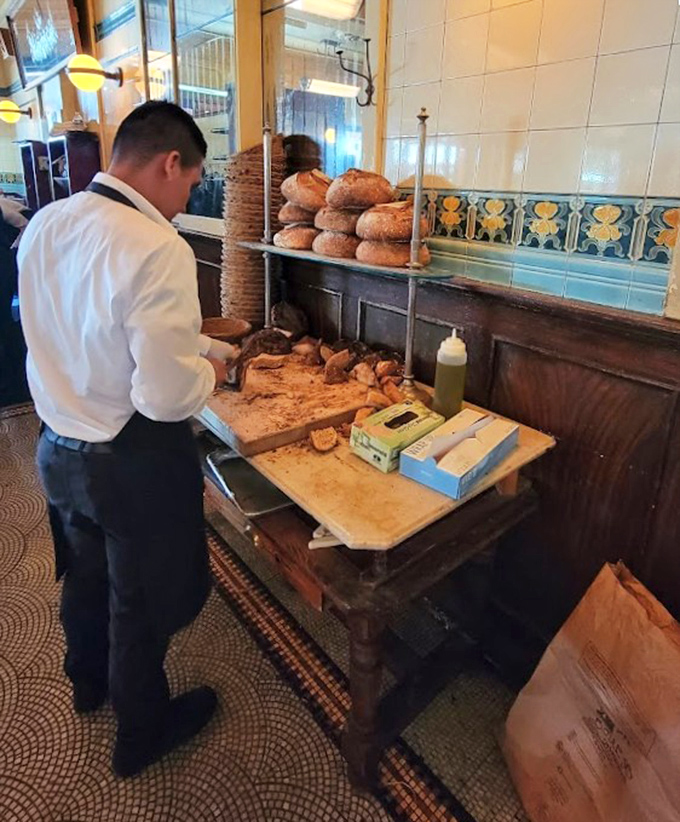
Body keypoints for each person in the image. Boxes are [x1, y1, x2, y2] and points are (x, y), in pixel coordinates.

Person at [18, 101, 232, 778]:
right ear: (171, 163)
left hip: (57, 448)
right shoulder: (158, 247)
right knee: (137, 599)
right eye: (191, 183)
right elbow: (163, 397)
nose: (185, 198)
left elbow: (91, 330)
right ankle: (142, 730)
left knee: (85, 574)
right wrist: (213, 367)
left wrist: (188, 346)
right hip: (126, 464)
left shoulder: (47, 223)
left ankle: (86, 681)